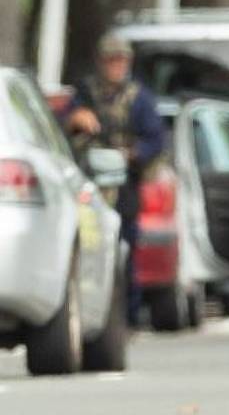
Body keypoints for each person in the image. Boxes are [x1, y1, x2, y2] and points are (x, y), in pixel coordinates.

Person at [67, 33, 165, 327]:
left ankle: (126, 318)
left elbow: (156, 140)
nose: (116, 66)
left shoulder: (140, 99)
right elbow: (64, 125)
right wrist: (75, 119)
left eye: (121, 60)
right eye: (111, 60)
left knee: (124, 251)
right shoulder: (85, 94)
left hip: (123, 188)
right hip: (89, 185)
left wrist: (131, 154)